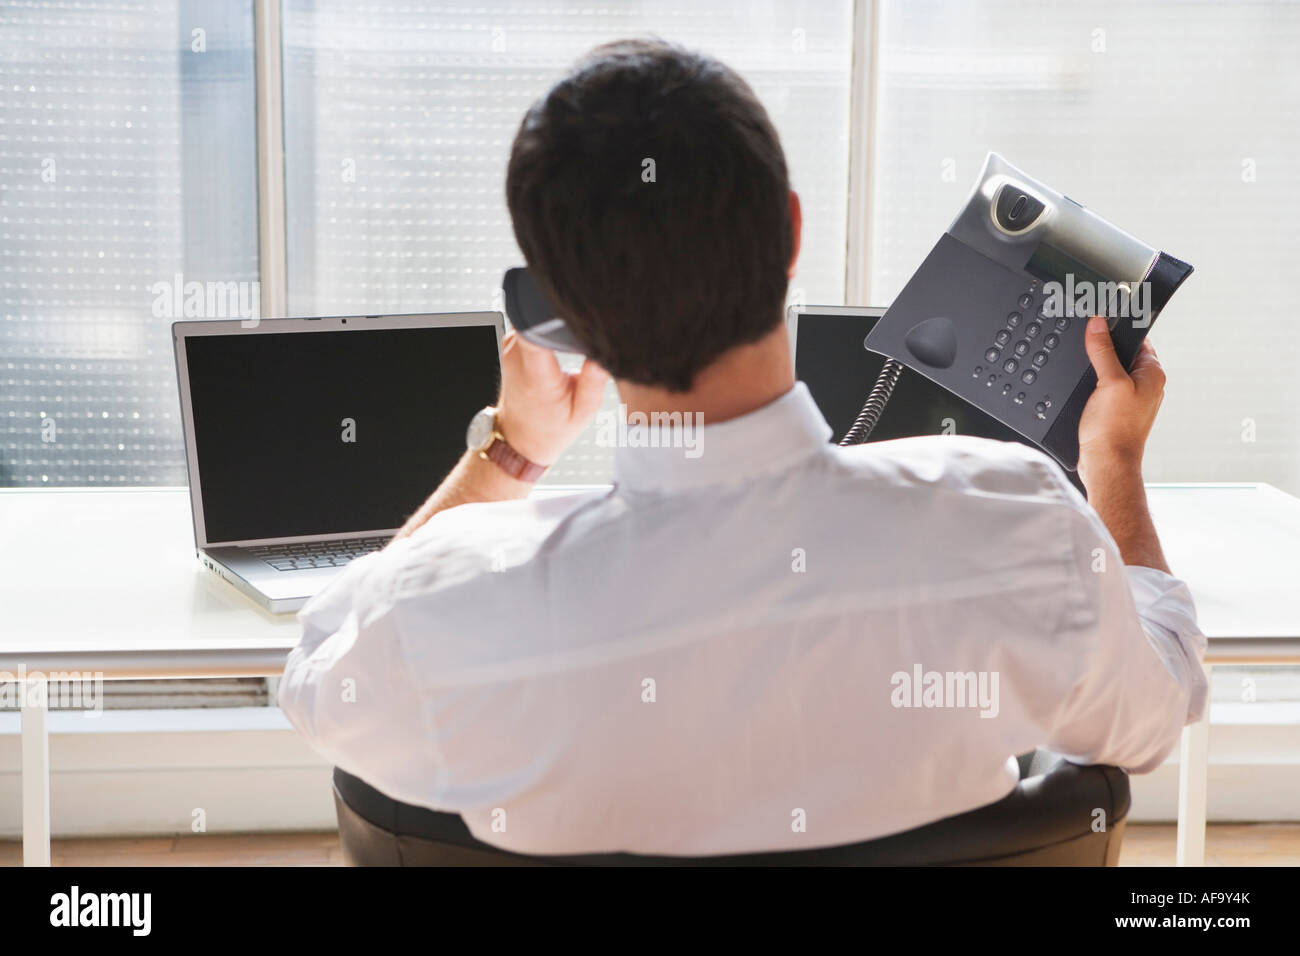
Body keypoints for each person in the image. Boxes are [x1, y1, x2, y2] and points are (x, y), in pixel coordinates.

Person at [279, 39, 1205, 858]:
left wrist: (513, 453)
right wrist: (1113, 464)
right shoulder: (1016, 519)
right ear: (791, 234)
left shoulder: (444, 605)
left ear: (552, 312)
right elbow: (1161, 703)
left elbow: (317, 673)